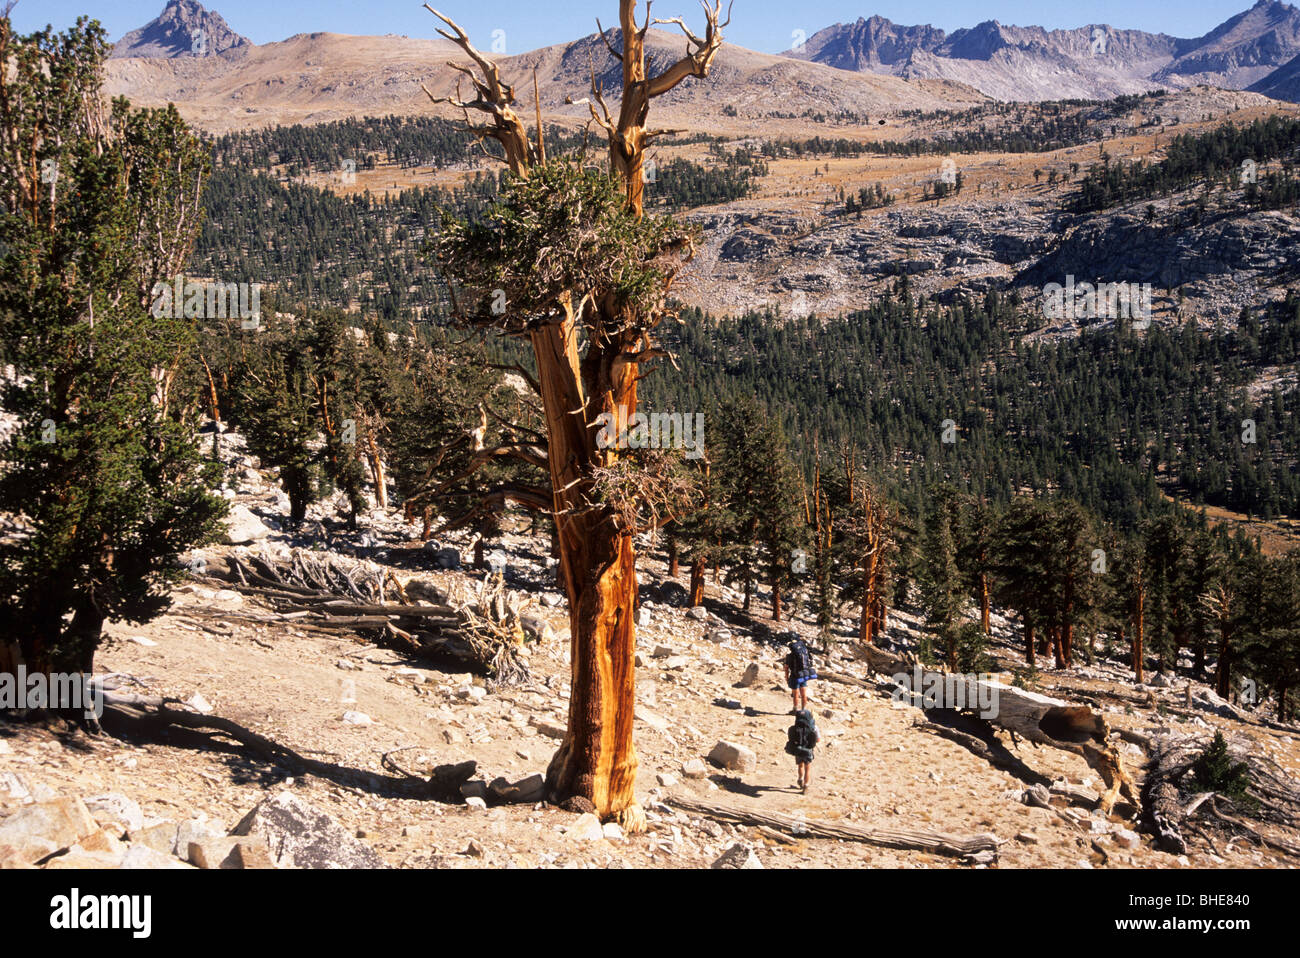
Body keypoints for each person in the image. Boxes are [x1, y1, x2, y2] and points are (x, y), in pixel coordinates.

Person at [785, 708, 820, 793]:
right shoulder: (814, 727)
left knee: (800, 765)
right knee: (807, 768)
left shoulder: (795, 727)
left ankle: (800, 779)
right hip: (808, 749)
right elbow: (818, 739)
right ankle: (806, 786)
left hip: (798, 748)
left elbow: (791, 736)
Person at [783, 636, 817, 713]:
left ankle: (795, 710)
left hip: (794, 676)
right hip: (803, 674)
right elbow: (810, 662)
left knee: (795, 694)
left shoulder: (790, 656)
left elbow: (786, 668)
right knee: (804, 694)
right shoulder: (805, 652)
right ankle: (803, 710)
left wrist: (786, 677)